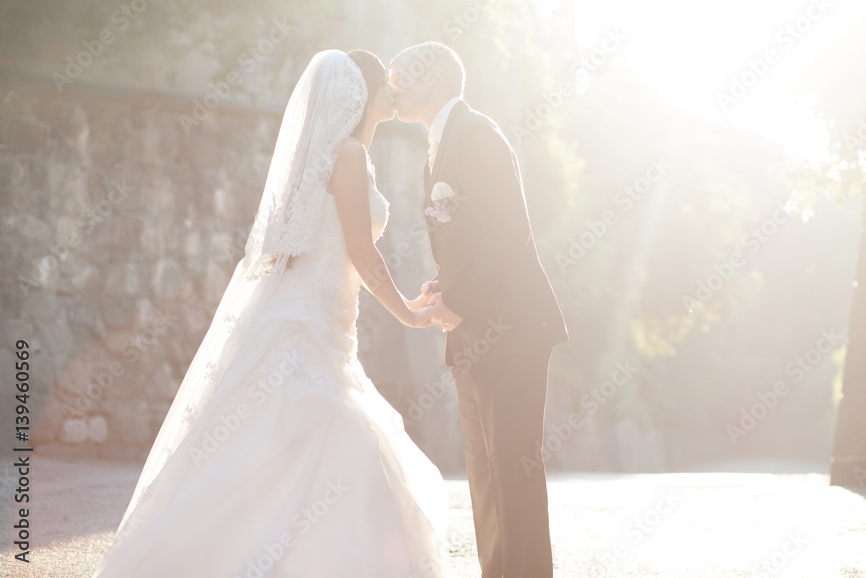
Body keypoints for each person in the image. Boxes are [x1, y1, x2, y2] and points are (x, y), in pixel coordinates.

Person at [90, 49, 455, 578]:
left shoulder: (335, 156)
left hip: (323, 322)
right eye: (385, 87)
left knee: (282, 445)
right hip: (305, 322)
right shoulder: (348, 154)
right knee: (338, 431)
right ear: (361, 96)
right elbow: (361, 251)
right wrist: (409, 314)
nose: (393, 95)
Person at [389, 42, 569, 578]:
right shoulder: (440, 144)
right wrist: (447, 285)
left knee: (513, 473)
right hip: (473, 331)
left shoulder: (477, 136)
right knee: (486, 478)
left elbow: (504, 238)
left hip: (510, 330)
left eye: (403, 74)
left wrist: (457, 300)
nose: (393, 85)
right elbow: (467, 241)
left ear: (436, 76)